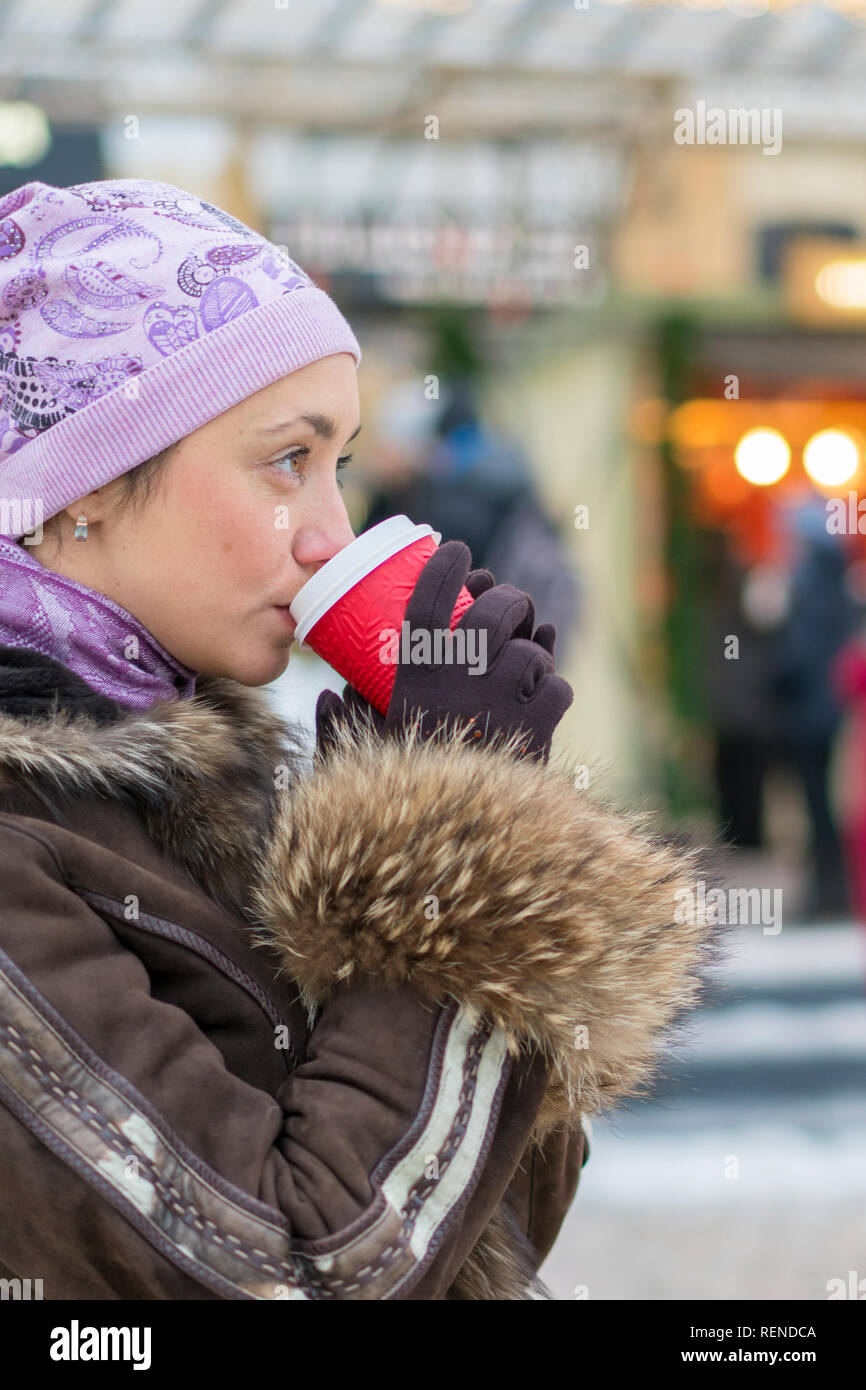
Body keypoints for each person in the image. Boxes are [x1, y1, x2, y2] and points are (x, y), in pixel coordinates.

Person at [0, 177, 713, 1301]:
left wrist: (451, 824)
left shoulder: (205, 790)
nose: (332, 528)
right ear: (81, 482)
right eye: (287, 458)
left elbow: (485, 1230)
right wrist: (453, 840)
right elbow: (293, 1277)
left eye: (339, 460)